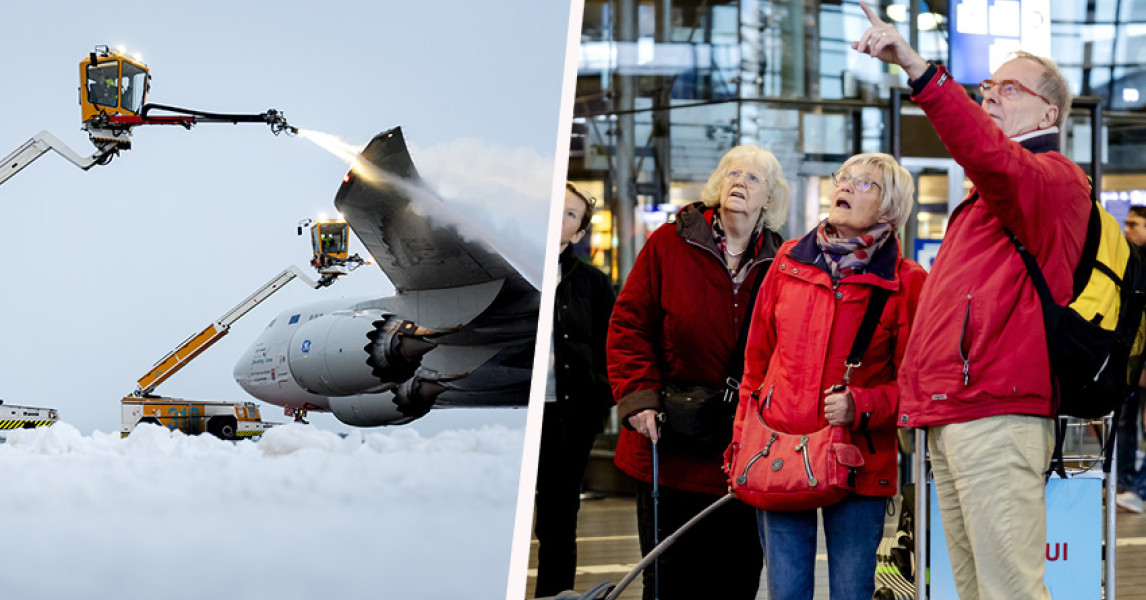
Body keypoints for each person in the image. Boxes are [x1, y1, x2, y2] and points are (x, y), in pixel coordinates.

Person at [853, 3, 1090, 599]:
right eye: (986, 84)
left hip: (997, 411)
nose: (990, 94)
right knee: (975, 590)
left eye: (1008, 86)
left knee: (1007, 590)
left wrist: (915, 65)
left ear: (1048, 111)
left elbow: (987, 154)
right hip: (957, 412)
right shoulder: (990, 198)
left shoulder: (1052, 177)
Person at [733, 153, 925, 600]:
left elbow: (917, 388)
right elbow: (756, 363)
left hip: (856, 457)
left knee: (852, 593)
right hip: (776, 451)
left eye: (865, 184)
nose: (846, 186)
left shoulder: (907, 281)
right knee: (786, 593)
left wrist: (862, 405)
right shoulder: (787, 261)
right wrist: (741, 439)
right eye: (845, 178)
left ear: (888, 208)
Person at [607, 145, 788, 599]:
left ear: (770, 197)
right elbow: (630, 322)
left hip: (743, 446)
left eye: (753, 178)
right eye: (732, 172)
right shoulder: (670, 243)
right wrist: (638, 397)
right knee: (669, 579)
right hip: (669, 438)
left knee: (736, 575)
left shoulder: (784, 262)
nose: (739, 182)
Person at [534, 182, 616, 597]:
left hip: (569, 415)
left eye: (571, 214)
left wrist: (599, 397)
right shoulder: (513, 266)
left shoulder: (594, 284)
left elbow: (612, 346)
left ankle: (554, 593)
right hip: (526, 409)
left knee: (559, 517)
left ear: (579, 234)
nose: (559, 216)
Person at [1116, 206, 1146, 513]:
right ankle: (1125, 484)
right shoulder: (1128, 261)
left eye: (1134, 224)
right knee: (1125, 421)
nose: (1128, 229)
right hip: (1130, 355)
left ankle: (1137, 488)